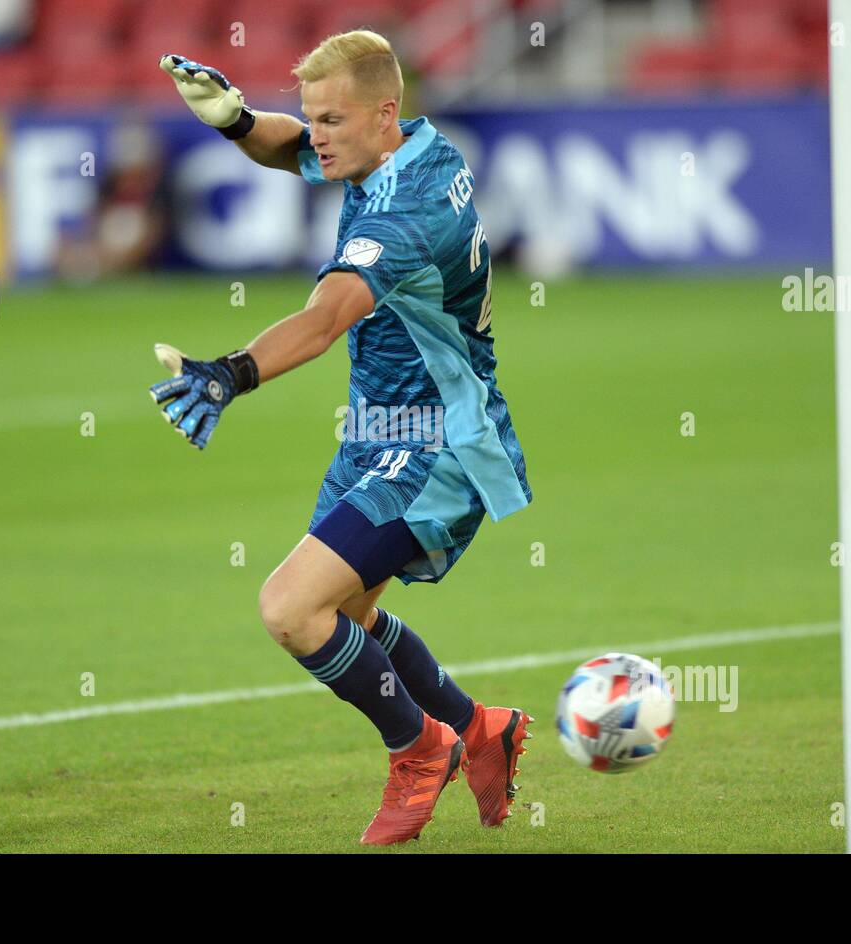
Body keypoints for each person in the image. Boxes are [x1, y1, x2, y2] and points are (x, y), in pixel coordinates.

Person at [151, 30, 534, 845]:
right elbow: (290, 148)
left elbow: (325, 320)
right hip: (378, 431)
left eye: (331, 119)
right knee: (347, 620)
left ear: (384, 114)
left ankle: (418, 750)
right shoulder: (414, 149)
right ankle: (477, 728)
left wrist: (230, 373)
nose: (315, 134)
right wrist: (234, 119)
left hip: (436, 443)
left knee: (290, 610)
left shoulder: (404, 214)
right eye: (311, 116)